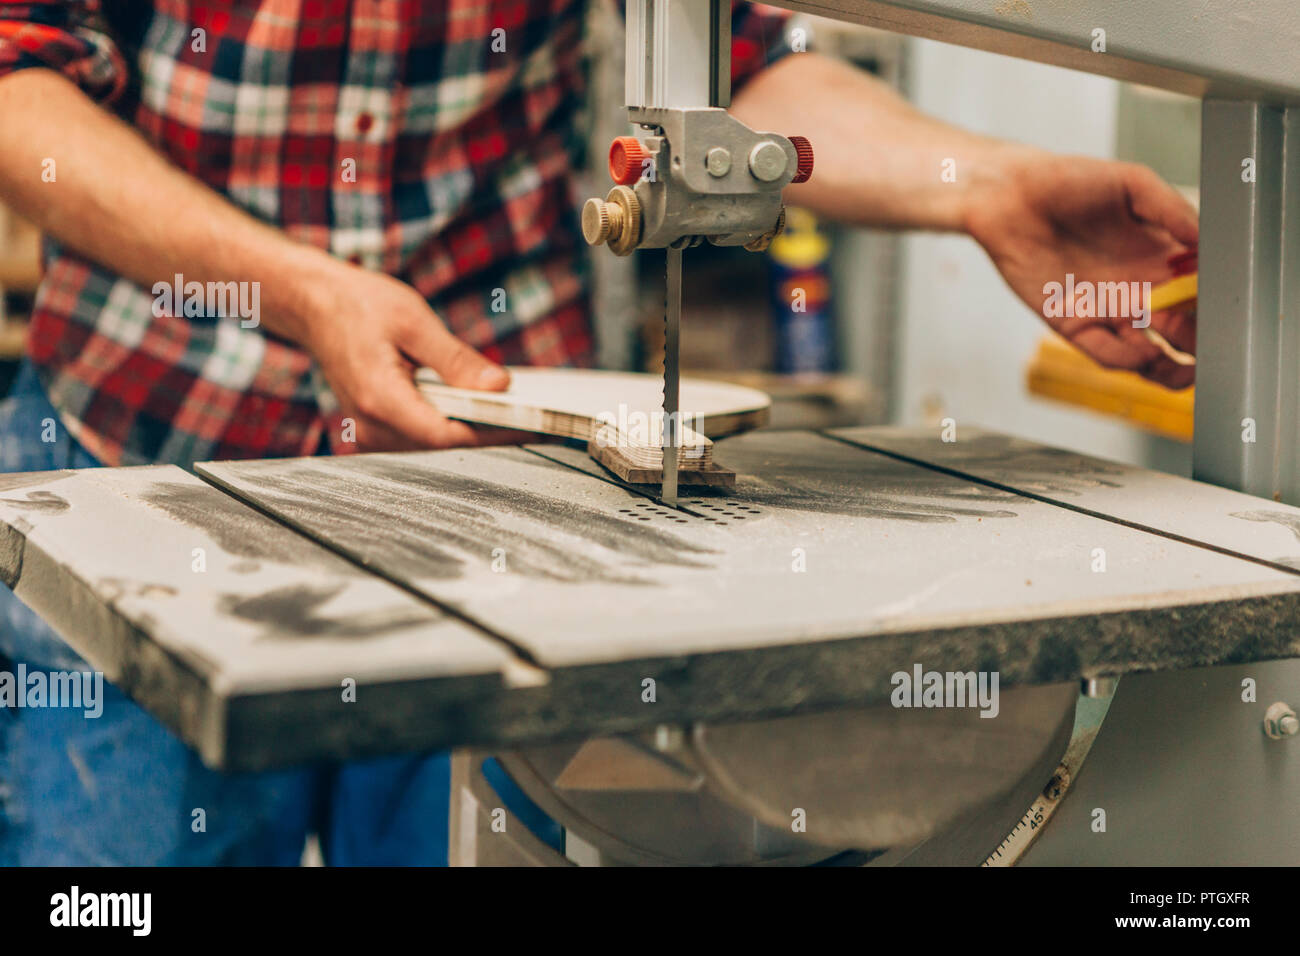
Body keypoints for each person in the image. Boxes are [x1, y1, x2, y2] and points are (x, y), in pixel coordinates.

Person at [0, 0, 1197, 865]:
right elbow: (18, 76)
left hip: (492, 514)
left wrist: (978, 181)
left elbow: (734, 68)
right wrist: (293, 289)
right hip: (151, 446)